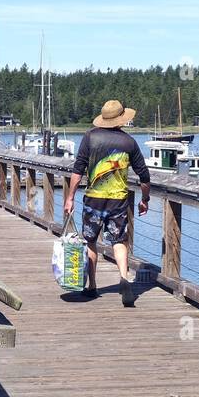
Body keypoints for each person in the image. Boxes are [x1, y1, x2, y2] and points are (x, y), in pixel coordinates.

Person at [64, 100, 151, 306]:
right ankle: (123, 278)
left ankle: (92, 286)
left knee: (91, 240)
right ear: (121, 119)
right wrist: (145, 200)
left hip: (93, 198)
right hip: (118, 200)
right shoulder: (129, 142)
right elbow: (144, 176)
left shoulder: (90, 137)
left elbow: (78, 169)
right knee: (119, 241)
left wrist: (70, 197)